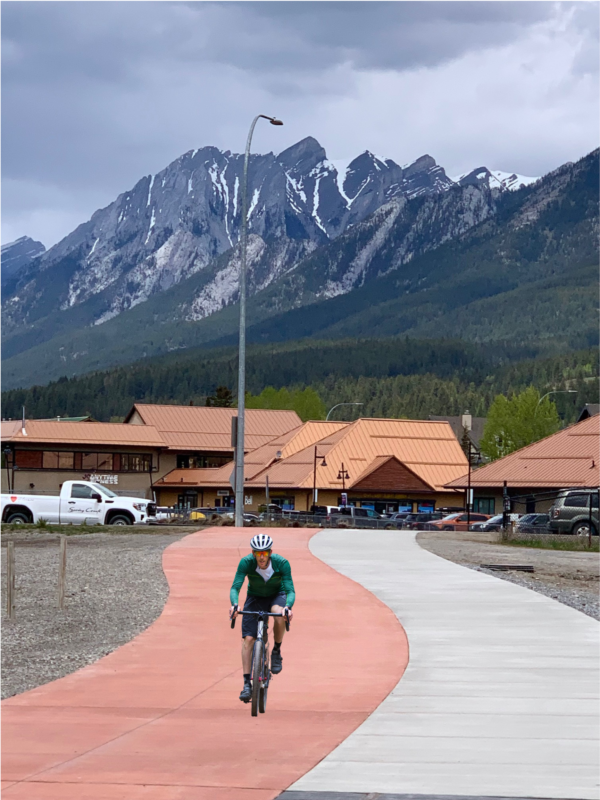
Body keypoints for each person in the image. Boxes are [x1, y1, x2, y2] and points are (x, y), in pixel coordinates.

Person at [229, 533, 295, 703]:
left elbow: (290, 590)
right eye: (258, 553)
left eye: (264, 553)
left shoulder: (282, 563)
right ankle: (246, 684)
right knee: (248, 640)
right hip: (255, 597)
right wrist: (235, 605)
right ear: (253, 553)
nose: (261, 557)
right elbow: (235, 587)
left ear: (270, 552)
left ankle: (276, 651)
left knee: (279, 615)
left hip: (276, 595)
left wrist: (288, 607)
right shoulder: (246, 563)